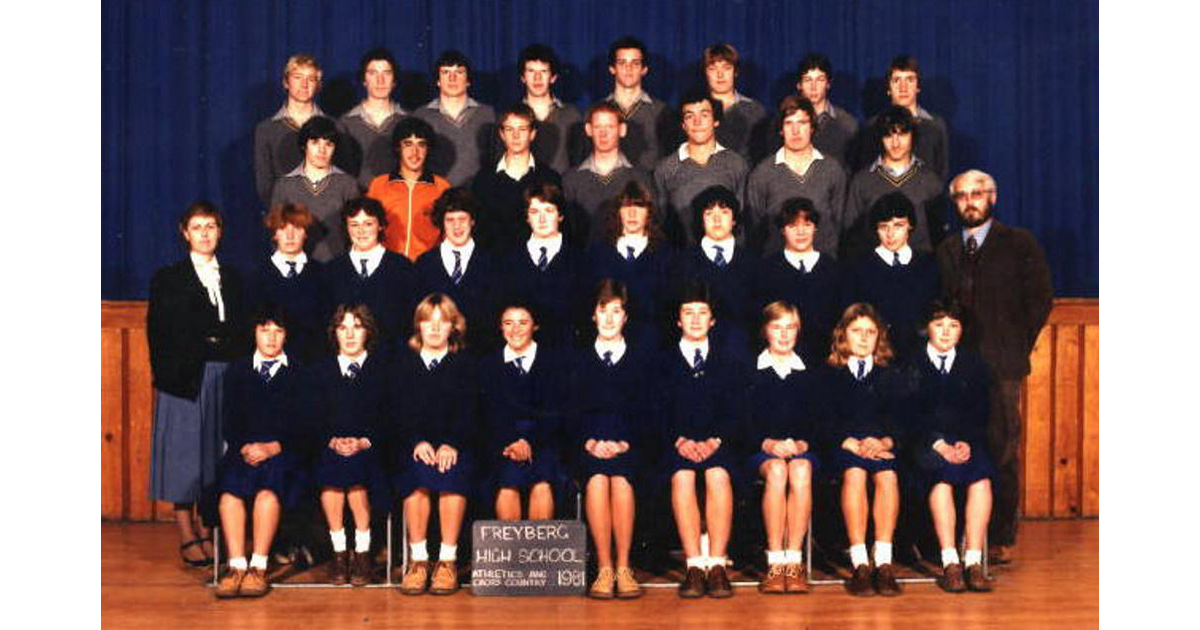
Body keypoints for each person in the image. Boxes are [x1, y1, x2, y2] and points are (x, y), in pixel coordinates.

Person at [936, 169, 1052, 564]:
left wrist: (1016, 345)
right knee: (954, 444)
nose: (970, 201)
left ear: (993, 197)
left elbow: (1039, 301)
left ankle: (1000, 537)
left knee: (1001, 448)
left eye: (977, 194)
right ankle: (956, 539)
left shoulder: (1018, 243)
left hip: (1001, 364)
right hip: (956, 366)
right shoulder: (948, 249)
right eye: (962, 196)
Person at [147, 201, 246, 569]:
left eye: (211, 227)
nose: (205, 234)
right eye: (197, 227)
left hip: (227, 375)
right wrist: (170, 378)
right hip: (186, 379)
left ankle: (208, 527)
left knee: (216, 456)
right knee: (184, 458)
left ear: (220, 232)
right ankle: (186, 530)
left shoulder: (234, 278)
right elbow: (158, 335)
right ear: (184, 233)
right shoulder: (168, 278)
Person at [660, 280, 748, 599]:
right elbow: (656, 411)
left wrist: (716, 440)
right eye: (688, 313)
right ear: (678, 320)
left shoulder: (728, 362)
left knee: (717, 475)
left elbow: (737, 413)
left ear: (712, 320)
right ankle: (695, 566)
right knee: (683, 477)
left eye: (702, 313)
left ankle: (717, 565)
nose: (695, 319)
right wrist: (679, 440)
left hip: (717, 445)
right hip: (678, 446)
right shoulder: (664, 361)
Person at [214, 306, 307, 599]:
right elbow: (229, 421)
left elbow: (305, 424)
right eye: (264, 330)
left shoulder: (299, 372)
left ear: (286, 335)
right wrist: (245, 446)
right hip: (245, 449)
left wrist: (273, 447)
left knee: (268, 493)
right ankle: (237, 566)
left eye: (278, 331)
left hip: (283, 452)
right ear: (254, 332)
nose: (271, 338)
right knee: (230, 495)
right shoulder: (237, 370)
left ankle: (258, 567)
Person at [905, 299, 995, 593]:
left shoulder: (973, 363)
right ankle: (950, 562)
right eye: (938, 325)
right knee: (941, 480)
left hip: (964, 441)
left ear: (961, 331)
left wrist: (967, 442)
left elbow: (981, 411)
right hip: (926, 443)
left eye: (953, 326)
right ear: (926, 328)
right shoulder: (912, 362)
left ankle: (972, 561)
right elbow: (909, 414)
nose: (945, 333)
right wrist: (939, 444)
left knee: (980, 479)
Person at [570, 280, 651, 599]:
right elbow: (569, 413)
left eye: (616, 311)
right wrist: (589, 443)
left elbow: (649, 414)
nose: (608, 318)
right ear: (593, 315)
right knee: (598, 481)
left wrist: (624, 443)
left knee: (620, 481)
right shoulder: (578, 360)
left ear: (625, 318)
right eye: (603, 310)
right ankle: (603, 568)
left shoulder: (640, 360)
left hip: (628, 445)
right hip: (588, 445)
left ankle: (624, 567)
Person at [394, 294, 479, 596]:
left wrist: (451, 444)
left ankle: (447, 561)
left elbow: (472, 412)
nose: (434, 328)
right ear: (418, 326)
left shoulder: (466, 365)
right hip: (417, 446)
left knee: (451, 477)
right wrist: (417, 441)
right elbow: (398, 412)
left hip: (456, 445)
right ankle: (418, 561)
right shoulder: (404, 365)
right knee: (416, 478)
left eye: (441, 322)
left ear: (453, 327)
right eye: (427, 322)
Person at [823, 303, 905, 597]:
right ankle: (860, 563)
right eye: (856, 331)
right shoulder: (830, 374)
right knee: (855, 474)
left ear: (879, 337)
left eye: (870, 332)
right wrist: (847, 442)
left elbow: (901, 419)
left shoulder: (890, 375)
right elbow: (822, 419)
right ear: (842, 335)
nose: (863, 338)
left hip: (879, 446)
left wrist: (884, 441)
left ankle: (883, 563)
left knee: (887, 477)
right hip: (844, 448)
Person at [308, 304, 391, 586]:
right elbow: (313, 417)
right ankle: (340, 552)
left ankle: (363, 554)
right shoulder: (321, 370)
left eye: (357, 327)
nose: (350, 334)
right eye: (343, 328)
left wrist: (364, 441)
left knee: (356, 472)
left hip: (371, 449)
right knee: (333, 472)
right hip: (331, 447)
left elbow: (390, 417)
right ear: (335, 333)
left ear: (368, 332)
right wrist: (331, 440)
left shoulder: (382, 370)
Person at [748, 301, 821, 594]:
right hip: (761, 449)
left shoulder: (809, 371)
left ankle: (794, 561)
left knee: (801, 469)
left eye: (790, 327)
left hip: (800, 448)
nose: (783, 334)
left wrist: (803, 443)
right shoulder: (751, 370)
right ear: (765, 330)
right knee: (778, 471)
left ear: (798, 331)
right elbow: (740, 422)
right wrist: (768, 443)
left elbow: (820, 422)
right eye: (777, 327)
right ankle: (775, 562)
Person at [479, 303, 569, 522]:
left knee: (543, 482)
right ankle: (512, 555)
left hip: (544, 440)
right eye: (508, 323)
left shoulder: (554, 362)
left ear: (535, 326)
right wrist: (513, 442)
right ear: (500, 327)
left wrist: (529, 442)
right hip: (503, 443)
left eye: (523, 322)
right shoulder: (487, 365)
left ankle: (537, 555)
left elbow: (556, 413)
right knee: (507, 479)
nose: (515, 329)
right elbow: (487, 414)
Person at [746, 95, 847, 256]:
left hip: (824, 267)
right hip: (776, 268)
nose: (795, 131)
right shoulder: (762, 173)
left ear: (812, 127)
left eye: (802, 123)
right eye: (789, 123)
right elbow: (756, 225)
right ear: (780, 129)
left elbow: (840, 223)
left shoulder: (832, 170)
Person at [754, 197, 845, 376]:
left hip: (826, 361)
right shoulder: (767, 270)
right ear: (782, 230)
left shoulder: (833, 269)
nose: (800, 232)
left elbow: (840, 320)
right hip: (781, 362)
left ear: (815, 227)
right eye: (792, 226)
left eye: (807, 225)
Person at [845, 192, 941, 361]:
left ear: (910, 225)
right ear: (876, 229)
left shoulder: (928, 265)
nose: (890, 234)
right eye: (884, 226)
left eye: (898, 225)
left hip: (919, 357)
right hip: (874, 356)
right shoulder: (857, 268)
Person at [844, 106, 946, 260]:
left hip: (920, 269)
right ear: (880, 138)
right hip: (872, 269)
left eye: (902, 134)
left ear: (913, 137)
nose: (896, 143)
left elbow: (941, 236)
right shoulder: (862, 181)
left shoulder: (931, 182)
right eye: (889, 136)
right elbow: (850, 233)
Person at [654, 90, 748, 248]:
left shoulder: (736, 164)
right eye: (690, 116)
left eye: (704, 115)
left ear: (715, 121)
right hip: (683, 260)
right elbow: (661, 222)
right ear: (683, 125)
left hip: (727, 259)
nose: (697, 122)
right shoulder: (665, 169)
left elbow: (742, 220)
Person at [326, 197, 421, 354]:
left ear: (381, 226)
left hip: (392, 362)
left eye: (368, 224)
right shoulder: (332, 271)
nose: (361, 231)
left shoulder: (402, 268)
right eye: (354, 224)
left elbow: (412, 323)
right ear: (346, 228)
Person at [586, 181, 674, 349]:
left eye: (639, 207)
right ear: (618, 212)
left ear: (649, 213)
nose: (632, 213)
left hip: (652, 345)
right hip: (608, 344)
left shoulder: (666, 255)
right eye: (626, 207)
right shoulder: (599, 253)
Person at [415, 187, 502, 354]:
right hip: (437, 357)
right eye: (450, 220)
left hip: (481, 358)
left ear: (472, 221)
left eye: (462, 219)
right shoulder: (424, 264)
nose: (457, 226)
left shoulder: (493, 263)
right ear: (441, 223)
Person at [672, 186, 756, 357]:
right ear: (701, 220)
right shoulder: (681, 263)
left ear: (734, 219)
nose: (717, 219)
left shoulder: (753, 263)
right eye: (709, 213)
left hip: (742, 355)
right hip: (696, 355)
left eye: (724, 212)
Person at [501, 182, 586, 348]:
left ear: (560, 215)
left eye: (548, 211)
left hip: (566, 354)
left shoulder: (579, 260)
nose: (541, 219)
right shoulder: (510, 260)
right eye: (534, 212)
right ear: (527, 217)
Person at [246, 202, 329, 363]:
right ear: (274, 234)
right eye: (283, 229)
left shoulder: (322, 274)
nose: (290, 236)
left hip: (311, 365)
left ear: (305, 233)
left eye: (297, 229)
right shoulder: (257, 277)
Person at [472, 103, 563, 250]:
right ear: (502, 134)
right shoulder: (483, 180)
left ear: (532, 134)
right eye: (509, 129)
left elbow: (560, 231)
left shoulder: (550, 178)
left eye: (522, 129)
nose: (515, 136)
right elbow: (477, 232)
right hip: (495, 266)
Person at [269, 116, 360, 262]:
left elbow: (357, 232)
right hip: (298, 269)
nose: (322, 150)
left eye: (329, 144)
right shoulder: (284, 185)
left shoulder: (347, 184)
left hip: (337, 267)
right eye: (315, 142)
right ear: (304, 145)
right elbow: (275, 233)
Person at [563, 102, 653, 244]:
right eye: (598, 127)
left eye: (610, 127)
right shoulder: (570, 179)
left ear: (622, 130)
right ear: (588, 130)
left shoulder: (641, 178)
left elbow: (651, 228)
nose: (603, 134)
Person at [366, 116, 452, 262]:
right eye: (408, 144)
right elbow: (367, 229)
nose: (415, 152)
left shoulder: (442, 187)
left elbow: (449, 234)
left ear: (428, 149)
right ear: (398, 148)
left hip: (427, 268)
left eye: (421, 145)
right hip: (387, 267)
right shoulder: (378, 185)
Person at [413, 50, 497, 187]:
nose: (452, 78)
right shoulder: (421, 115)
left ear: (468, 80)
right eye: (446, 73)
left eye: (459, 72)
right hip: (435, 195)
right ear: (438, 81)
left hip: (478, 197)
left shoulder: (487, 114)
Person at [860, 55, 949, 181]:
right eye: (897, 80)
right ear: (888, 89)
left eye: (910, 80)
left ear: (918, 86)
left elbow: (941, 172)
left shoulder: (935, 126)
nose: (903, 87)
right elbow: (866, 172)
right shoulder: (873, 126)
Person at [255, 54, 326, 207]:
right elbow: (265, 185)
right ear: (286, 82)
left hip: (327, 218)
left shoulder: (334, 127)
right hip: (285, 220)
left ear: (318, 85)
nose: (304, 84)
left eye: (311, 79)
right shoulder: (266, 130)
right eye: (298, 77)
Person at [601, 36, 675, 173]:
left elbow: (670, 159)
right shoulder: (597, 112)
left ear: (644, 69)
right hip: (606, 188)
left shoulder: (662, 111)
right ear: (612, 68)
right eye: (622, 63)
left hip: (649, 188)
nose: (628, 69)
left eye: (635, 63)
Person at [339, 47, 408, 190]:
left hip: (398, 202)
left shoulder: (408, 122)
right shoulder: (345, 124)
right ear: (364, 80)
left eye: (386, 73)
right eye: (373, 73)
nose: (380, 80)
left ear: (394, 80)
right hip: (359, 205)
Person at [519, 43, 585, 175]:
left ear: (553, 77)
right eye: (531, 71)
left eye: (543, 71)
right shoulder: (511, 116)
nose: (537, 78)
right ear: (523, 78)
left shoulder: (572, 115)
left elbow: (580, 158)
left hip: (562, 189)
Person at [703, 43, 769, 164]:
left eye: (726, 68)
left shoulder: (755, 110)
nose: (720, 75)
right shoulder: (695, 111)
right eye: (713, 69)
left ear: (735, 72)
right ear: (705, 73)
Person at [795, 53, 858, 167]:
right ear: (799, 85)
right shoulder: (787, 124)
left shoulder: (847, 124)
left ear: (828, 84)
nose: (813, 87)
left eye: (820, 80)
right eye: (808, 80)